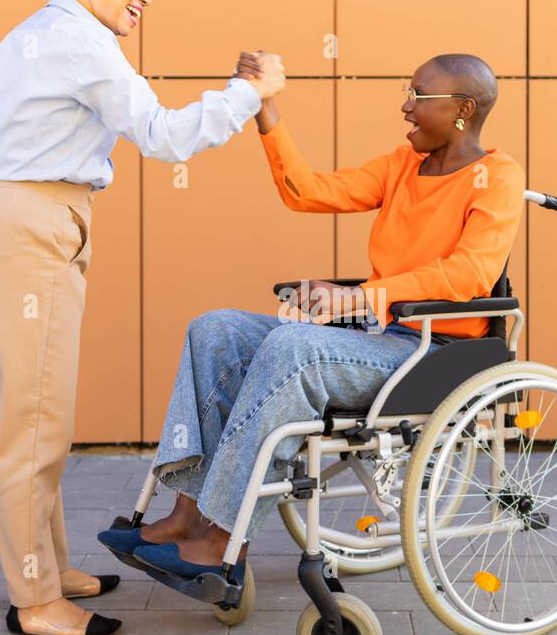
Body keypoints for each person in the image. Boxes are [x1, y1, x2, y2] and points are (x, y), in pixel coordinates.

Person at [0, 0, 285, 635]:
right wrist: (248, 93)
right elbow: (165, 135)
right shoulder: (83, 43)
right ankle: (37, 600)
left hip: (0, 223)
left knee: (27, 419)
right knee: (37, 430)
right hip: (35, 228)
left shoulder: (23, 37)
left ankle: (50, 566)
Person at [99, 53, 525, 584]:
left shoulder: (497, 177)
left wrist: (358, 297)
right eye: (407, 91)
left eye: (418, 96)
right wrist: (265, 106)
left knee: (294, 346)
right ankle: (188, 514)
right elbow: (307, 191)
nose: (405, 106)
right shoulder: (402, 166)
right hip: (379, 334)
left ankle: (223, 538)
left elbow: (469, 275)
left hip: (433, 350)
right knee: (215, 330)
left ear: (463, 110)